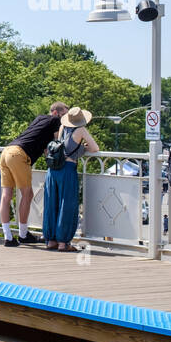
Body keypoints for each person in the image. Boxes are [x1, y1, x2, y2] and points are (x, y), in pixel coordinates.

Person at [0, 101, 69, 247]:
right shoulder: (55, 120)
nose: (65, 120)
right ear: (56, 112)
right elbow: (57, 142)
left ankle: (8, 236)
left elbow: (42, 142)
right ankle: (23, 234)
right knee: (27, 194)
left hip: (7, 151)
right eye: (64, 115)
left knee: (6, 196)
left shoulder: (40, 118)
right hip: (20, 154)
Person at [43, 106, 99, 251]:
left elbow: (63, 145)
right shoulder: (81, 130)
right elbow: (95, 148)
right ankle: (63, 242)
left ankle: (51, 240)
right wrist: (83, 148)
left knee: (51, 204)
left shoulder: (62, 127)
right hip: (67, 169)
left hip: (53, 169)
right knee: (66, 205)